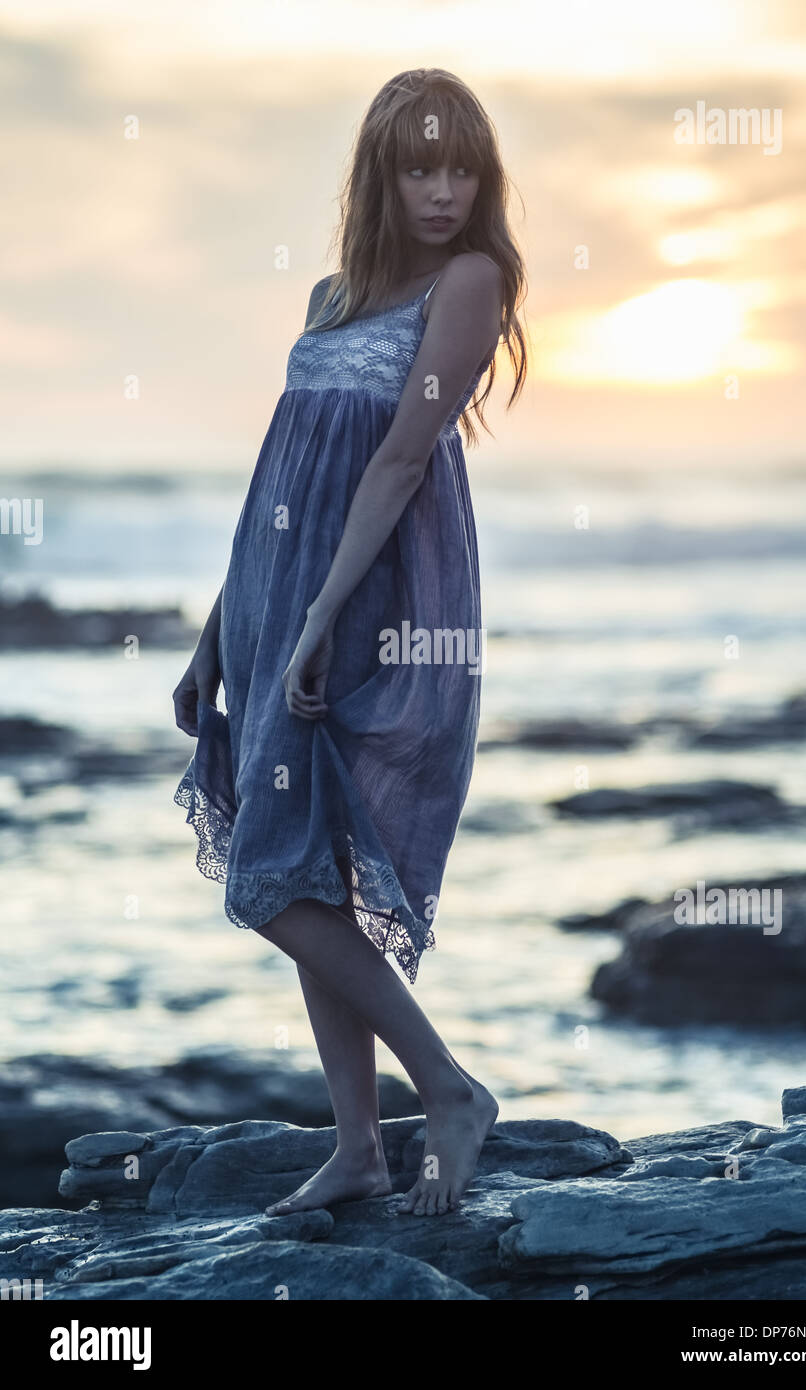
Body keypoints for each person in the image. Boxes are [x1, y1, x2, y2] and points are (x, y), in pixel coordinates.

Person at [172, 68, 527, 1217]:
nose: (440, 190)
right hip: (283, 595)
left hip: (382, 601)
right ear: (380, 173)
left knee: (271, 880)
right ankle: (360, 1146)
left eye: (458, 166)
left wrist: (323, 619)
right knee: (305, 867)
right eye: (418, 166)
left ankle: (447, 1089)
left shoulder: (468, 280)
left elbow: (401, 459)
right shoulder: (330, 298)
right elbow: (276, 478)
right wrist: (218, 633)